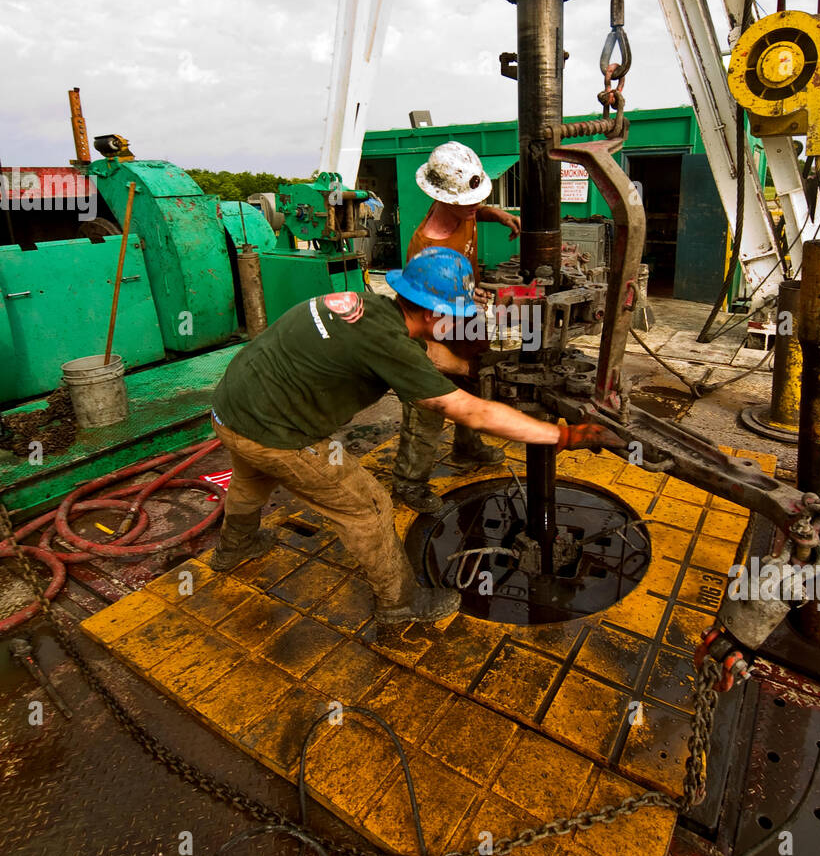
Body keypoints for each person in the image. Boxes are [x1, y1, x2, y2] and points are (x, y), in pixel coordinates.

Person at [208, 247, 618, 636]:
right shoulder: (389, 344)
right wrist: (561, 435)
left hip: (231, 409)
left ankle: (234, 550)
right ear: (432, 311)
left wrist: (474, 369)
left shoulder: (371, 309)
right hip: (277, 434)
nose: (458, 323)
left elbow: (426, 353)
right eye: (454, 314)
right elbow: (468, 412)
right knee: (368, 507)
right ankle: (400, 603)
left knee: (249, 481)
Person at [392, 141, 522, 512]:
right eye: (470, 203)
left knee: (476, 383)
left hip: (466, 317)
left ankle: (467, 446)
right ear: (443, 199)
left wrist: (495, 214)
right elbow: (424, 309)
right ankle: (408, 482)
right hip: (436, 327)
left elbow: (472, 208)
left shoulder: (459, 208)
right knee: (430, 406)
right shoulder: (428, 245)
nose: (474, 208)